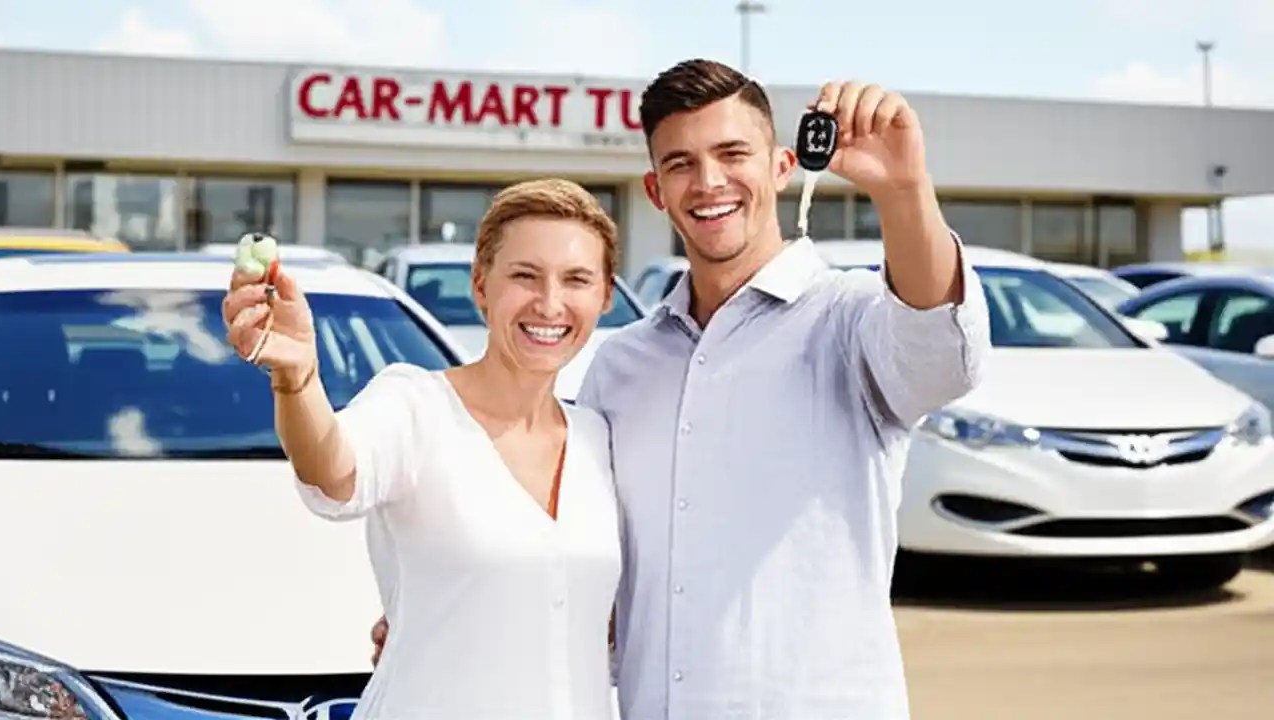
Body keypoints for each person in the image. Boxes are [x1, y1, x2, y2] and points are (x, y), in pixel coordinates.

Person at [373, 59, 992, 719]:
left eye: (733, 154)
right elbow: (588, 573)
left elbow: (941, 355)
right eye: (681, 164)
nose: (709, 182)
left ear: (782, 166)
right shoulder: (620, 366)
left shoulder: (850, 321)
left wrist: (904, 191)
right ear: (655, 189)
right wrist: (460, 615)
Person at [222, 178, 625, 719]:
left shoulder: (601, 439)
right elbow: (332, 470)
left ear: (604, 295)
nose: (550, 303)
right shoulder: (415, 407)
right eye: (524, 276)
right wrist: (297, 379)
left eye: (576, 279)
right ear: (481, 286)